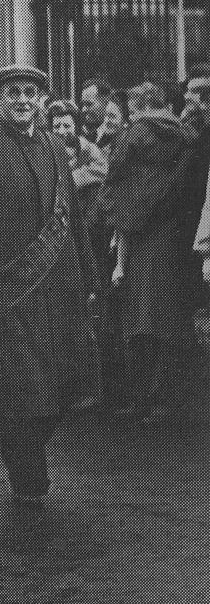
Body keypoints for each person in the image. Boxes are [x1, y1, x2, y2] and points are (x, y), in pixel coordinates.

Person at [0, 65, 100, 516]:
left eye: (31, 93)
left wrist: (88, 278)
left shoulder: (53, 148)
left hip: (60, 289)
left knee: (66, 387)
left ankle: (16, 439)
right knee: (24, 388)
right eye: (13, 93)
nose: (23, 101)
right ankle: (26, 468)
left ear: (42, 100)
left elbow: (74, 223)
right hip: (11, 295)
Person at [100, 83, 199, 425]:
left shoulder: (134, 135)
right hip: (176, 236)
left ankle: (144, 399)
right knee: (172, 318)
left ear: (137, 107)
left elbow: (114, 181)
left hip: (140, 237)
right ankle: (172, 400)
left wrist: (114, 219)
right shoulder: (188, 136)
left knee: (139, 320)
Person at [47, 101, 108, 211]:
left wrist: (74, 178)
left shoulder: (88, 149)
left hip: (84, 211)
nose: (61, 131)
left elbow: (104, 170)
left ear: (76, 126)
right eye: (56, 126)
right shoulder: (45, 151)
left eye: (66, 126)